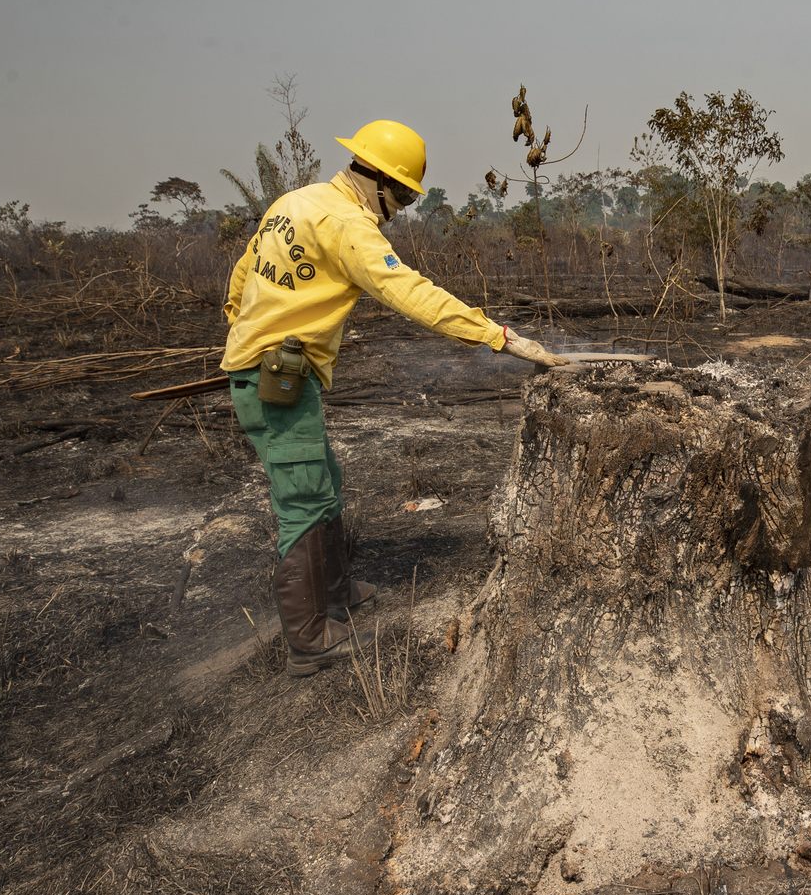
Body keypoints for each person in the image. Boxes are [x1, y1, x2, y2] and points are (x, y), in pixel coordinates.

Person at [221, 119, 567, 676]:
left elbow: (243, 271)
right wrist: (496, 335)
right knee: (303, 498)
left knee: (323, 481)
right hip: (274, 381)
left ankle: (335, 593)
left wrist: (239, 326)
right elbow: (408, 291)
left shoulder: (297, 201)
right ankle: (310, 640)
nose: (401, 206)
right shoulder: (348, 224)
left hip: (272, 369)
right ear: (377, 178)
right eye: (403, 193)